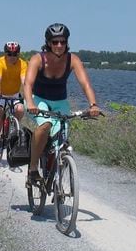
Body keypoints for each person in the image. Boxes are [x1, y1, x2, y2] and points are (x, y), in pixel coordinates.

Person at [22, 23, 102, 186]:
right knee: (45, 125)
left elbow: (85, 84)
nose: (59, 45)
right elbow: (28, 84)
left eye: (62, 42)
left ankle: (54, 165)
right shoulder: (38, 59)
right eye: (55, 42)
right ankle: (32, 170)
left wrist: (93, 104)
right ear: (48, 43)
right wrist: (30, 102)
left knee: (62, 134)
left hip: (60, 102)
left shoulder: (73, 60)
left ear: (67, 42)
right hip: (38, 100)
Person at [0, 41, 28, 153]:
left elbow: (24, 81)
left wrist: (28, 94)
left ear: (19, 54)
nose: (12, 56)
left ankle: (14, 127)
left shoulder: (23, 64)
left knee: (20, 109)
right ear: (5, 53)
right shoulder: (0, 62)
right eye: (9, 54)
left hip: (14, 93)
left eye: (15, 54)